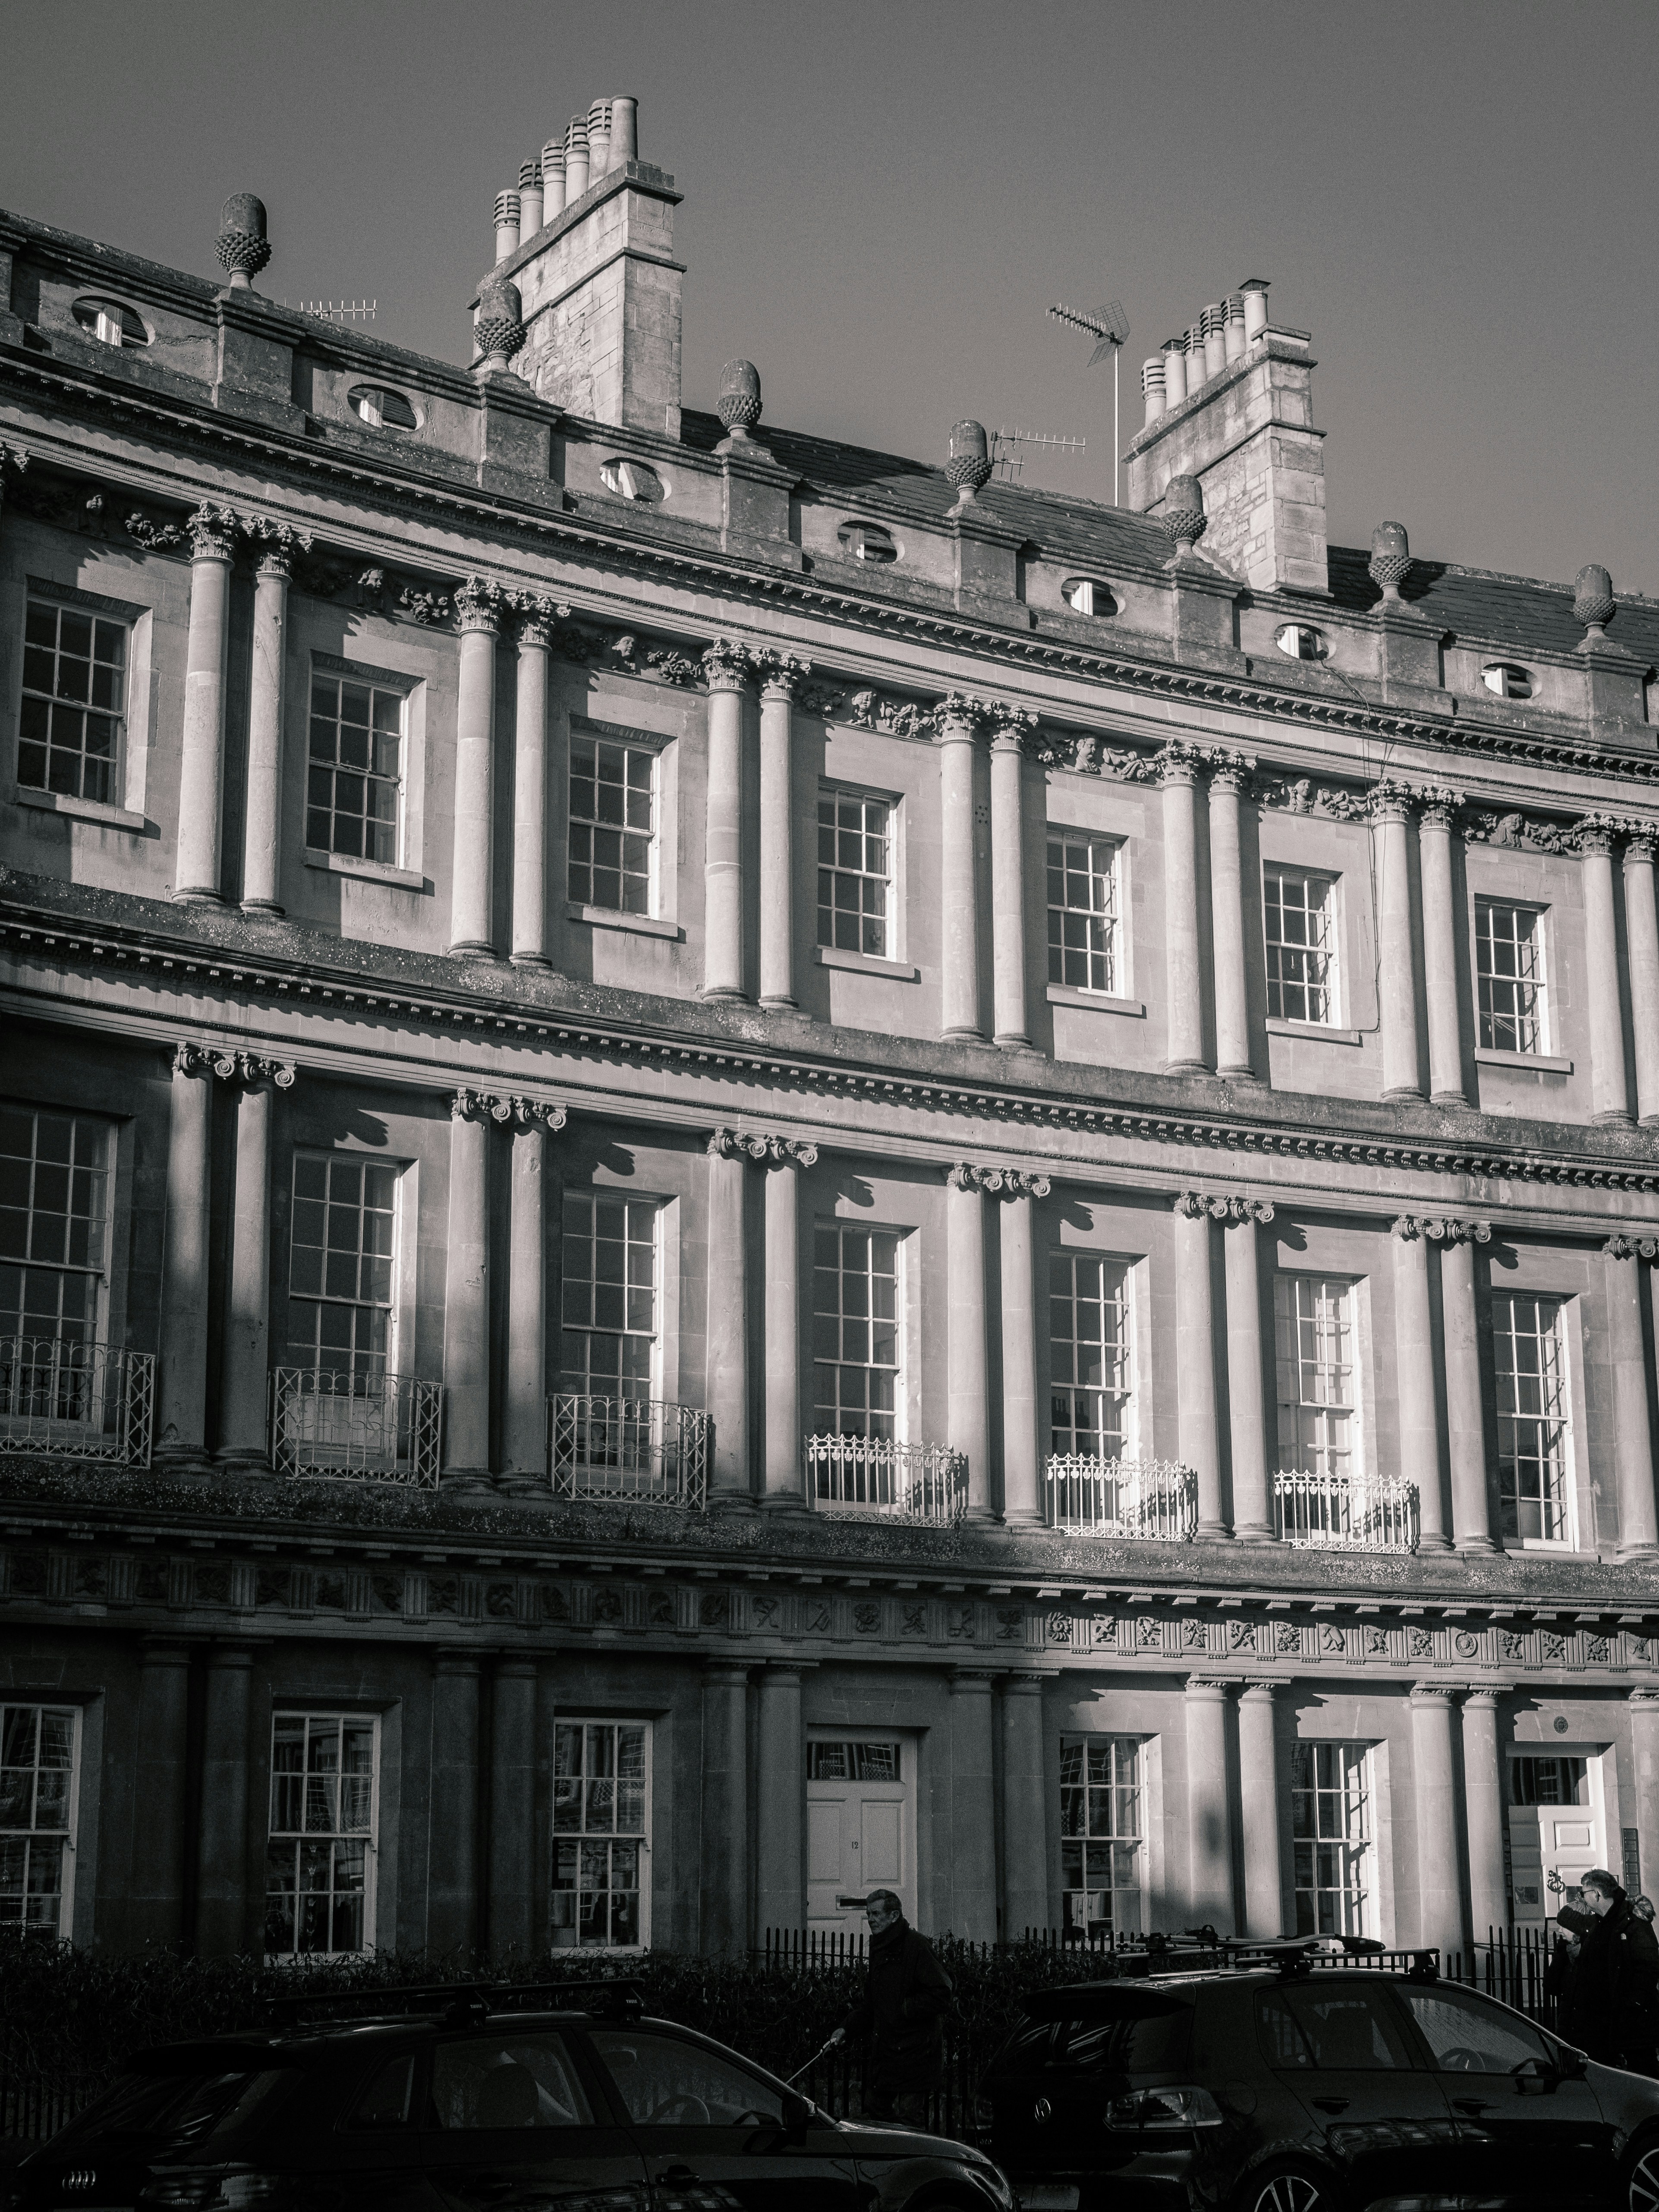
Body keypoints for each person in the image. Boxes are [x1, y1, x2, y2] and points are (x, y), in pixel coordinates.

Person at [830, 1890, 957, 2127]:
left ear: (894, 1916)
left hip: (916, 2054)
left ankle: (913, 2156)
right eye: (869, 1914)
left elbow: (942, 1993)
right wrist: (845, 2029)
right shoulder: (879, 1949)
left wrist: (905, 2009)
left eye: (876, 1914)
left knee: (910, 2121)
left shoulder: (916, 1946)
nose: (871, 1920)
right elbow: (872, 2006)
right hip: (889, 2051)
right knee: (876, 2109)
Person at [1558, 1868, 1659, 2070]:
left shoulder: (1633, 1922)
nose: (1582, 1898)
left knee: (1640, 2078)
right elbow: (1566, 1917)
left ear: (1596, 1894)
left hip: (1631, 2026)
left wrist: (1632, 2005)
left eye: (1583, 1894)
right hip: (1601, 2024)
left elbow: (1649, 1966)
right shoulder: (1598, 1923)